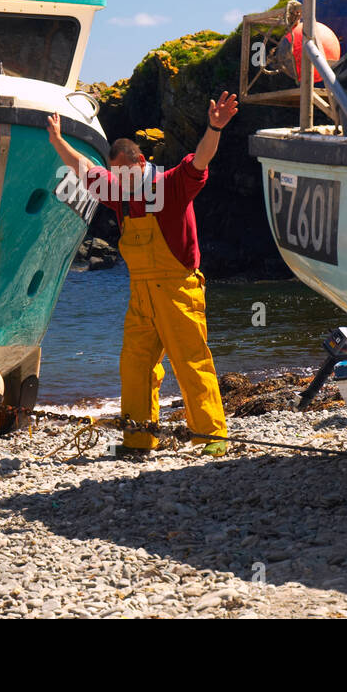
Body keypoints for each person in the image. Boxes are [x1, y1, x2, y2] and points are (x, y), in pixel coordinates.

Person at [46, 93, 238, 457]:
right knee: (134, 366)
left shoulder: (172, 184)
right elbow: (85, 168)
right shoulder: (118, 194)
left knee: (191, 364)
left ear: (141, 162)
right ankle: (137, 438)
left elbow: (201, 158)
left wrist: (214, 127)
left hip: (178, 292)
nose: (118, 181)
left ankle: (212, 439)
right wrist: (56, 140)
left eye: (124, 173)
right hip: (141, 295)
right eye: (115, 174)